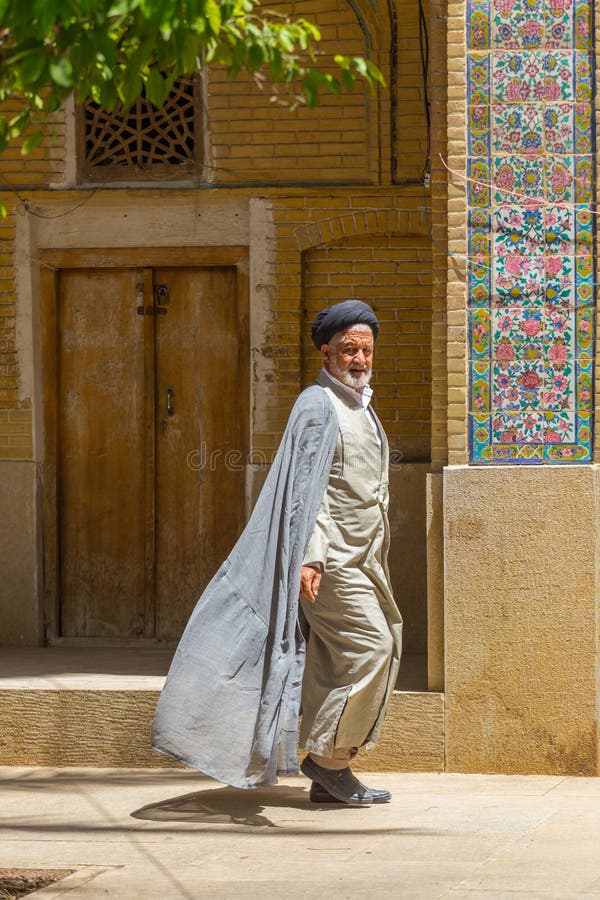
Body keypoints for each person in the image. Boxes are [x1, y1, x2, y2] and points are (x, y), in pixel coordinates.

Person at [151, 300, 402, 807]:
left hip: (367, 559)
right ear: (327, 351)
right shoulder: (318, 404)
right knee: (371, 646)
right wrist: (310, 556)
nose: (358, 358)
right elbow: (303, 491)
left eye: (366, 350)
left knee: (356, 655)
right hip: (329, 563)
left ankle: (332, 774)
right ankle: (327, 762)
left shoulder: (359, 404)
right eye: (349, 349)